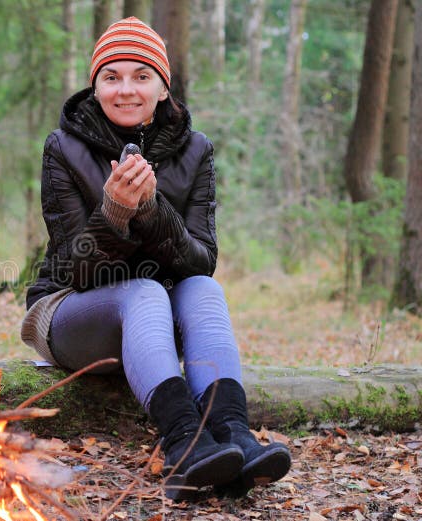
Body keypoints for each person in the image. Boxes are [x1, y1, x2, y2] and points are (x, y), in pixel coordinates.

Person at [21, 17, 291, 501]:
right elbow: (72, 271)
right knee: (145, 290)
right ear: (95, 84)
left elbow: (201, 260)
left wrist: (152, 211)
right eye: (112, 76)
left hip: (157, 321)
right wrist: (116, 212)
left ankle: (232, 433)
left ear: (163, 88)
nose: (126, 89)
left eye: (141, 76)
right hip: (70, 314)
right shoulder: (63, 147)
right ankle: (183, 443)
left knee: (204, 288)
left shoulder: (196, 150)